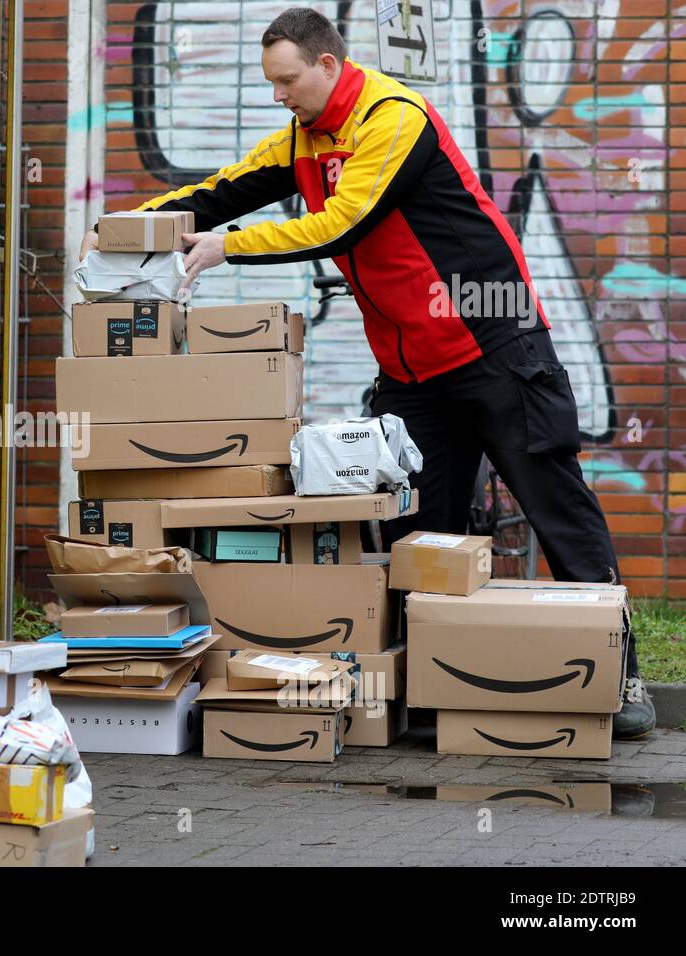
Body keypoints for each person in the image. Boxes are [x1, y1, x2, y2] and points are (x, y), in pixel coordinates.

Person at [80, 7, 655, 738]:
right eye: (270, 83)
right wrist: (125, 227)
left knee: (557, 509)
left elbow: (345, 221)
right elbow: (224, 189)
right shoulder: (303, 136)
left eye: (287, 80)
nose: (278, 95)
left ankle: (622, 671)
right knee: (419, 536)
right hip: (413, 372)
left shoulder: (393, 117)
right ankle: (429, 686)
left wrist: (229, 250)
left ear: (328, 65)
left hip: (495, 349)